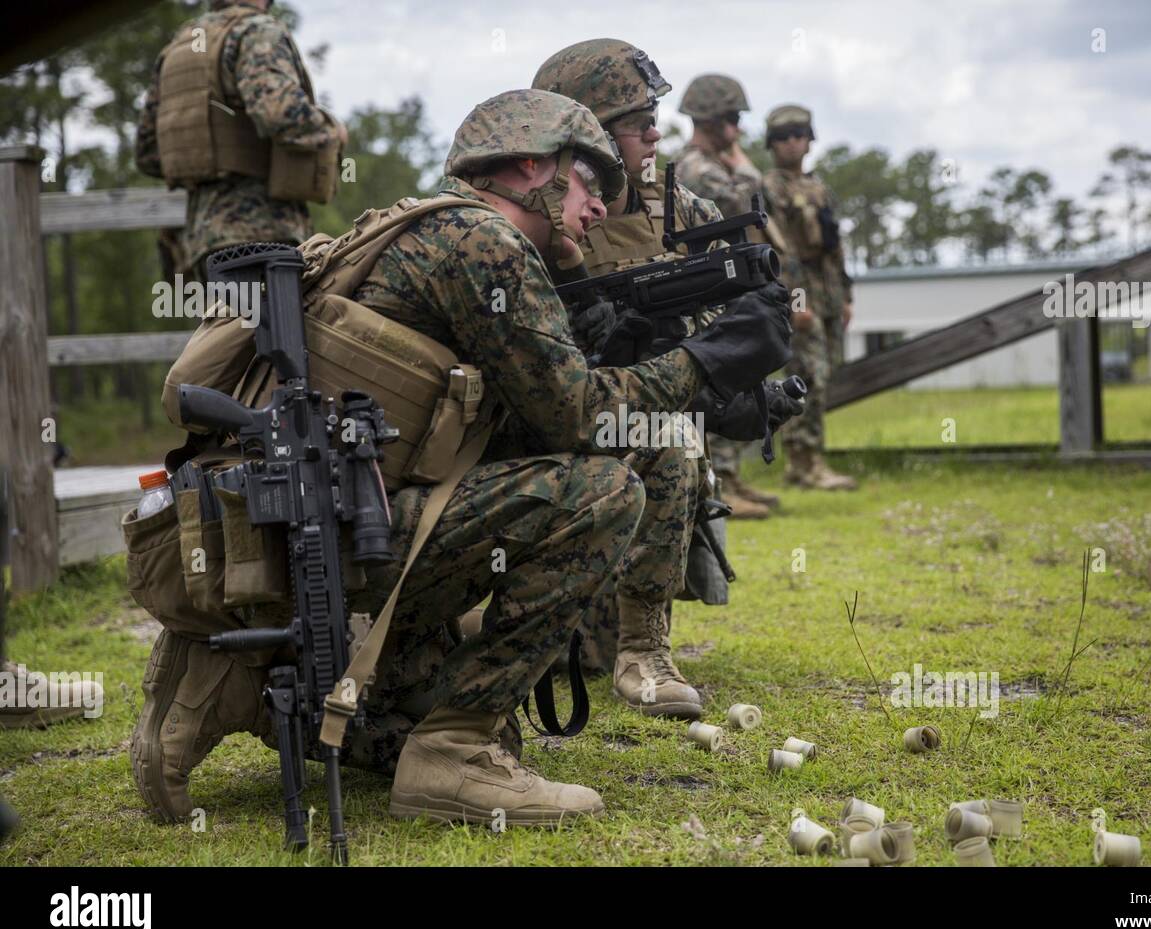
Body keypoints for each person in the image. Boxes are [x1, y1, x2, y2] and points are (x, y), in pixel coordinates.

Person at [131, 89, 792, 827]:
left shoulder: (408, 228)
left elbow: (504, 427)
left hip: (293, 538)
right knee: (603, 492)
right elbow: (582, 419)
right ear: (530, 165)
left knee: (388, 734)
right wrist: (711, 359)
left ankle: (232, 681)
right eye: (586, 182)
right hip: (339, 542)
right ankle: (454, 753)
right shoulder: (486, 244)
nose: (602, 207)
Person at [531, 38, 805, 700]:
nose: (656, 132)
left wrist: (741, 385)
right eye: (637, 121)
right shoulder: (531, 215)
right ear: (585, 129)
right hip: (543, 423)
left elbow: (732, 300)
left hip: (640, 421)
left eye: (655, 115)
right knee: (564, 647)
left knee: (671, 434)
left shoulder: (674, 205)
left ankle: (644, 649)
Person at [135, 0, 345, 282]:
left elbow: (148, 153)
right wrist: (333, 132)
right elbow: (279, 114)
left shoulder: (178, 47)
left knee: (226, 326)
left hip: (198, 241)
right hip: (264, 234)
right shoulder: (256, 31)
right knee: (274, 325)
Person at [674, 73, 802, 519]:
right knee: (722, 387)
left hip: (728, 285)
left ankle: (732, 480)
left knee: (738, 384)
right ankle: (721, 486)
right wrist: (745, 166)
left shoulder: (713, 163)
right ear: (712, 120)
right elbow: (748, 204)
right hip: (714, 289)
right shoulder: (696, 168)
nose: (738, 129)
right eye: (732, 118)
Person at [762, 104, 858, 491]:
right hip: (799, 295)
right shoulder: (771, 187)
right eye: (783, 136)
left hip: (829, 292)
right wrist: (796, 304)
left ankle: (811, 460)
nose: (792, 143)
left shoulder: (819, 188)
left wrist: (846, 297)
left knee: (823, 376)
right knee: (807, 376)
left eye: (798, 134)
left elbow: (836, 249)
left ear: (809, 139)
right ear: (772, 143)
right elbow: (781, 252)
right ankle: (803, 464)